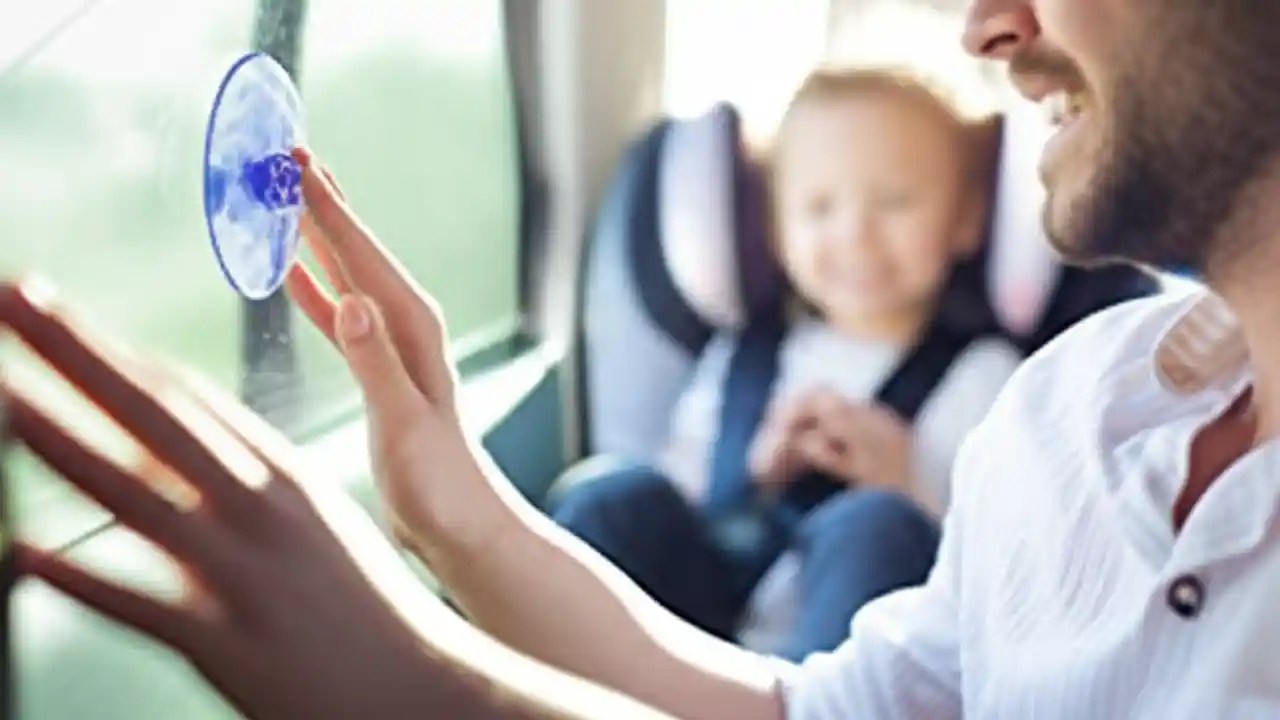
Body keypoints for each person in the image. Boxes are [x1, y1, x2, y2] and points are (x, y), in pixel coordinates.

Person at [6, 0, 1280, 716]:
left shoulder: (989, 397)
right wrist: (463, 518)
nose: (985, 24)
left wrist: (424, 688)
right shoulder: (1072, 410)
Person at [553, 68, 1021, 660]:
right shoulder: (741, 359)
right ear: (776, 229)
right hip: (702, 638)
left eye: (894, 203)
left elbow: (1003, 569)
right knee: (614, 497)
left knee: (876, 523)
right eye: (819, 208)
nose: (854, 234)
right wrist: (752, 475)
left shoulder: (987, 377)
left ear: (966, 220)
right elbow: (683, 505)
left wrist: (905, 488)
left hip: (853, 667)